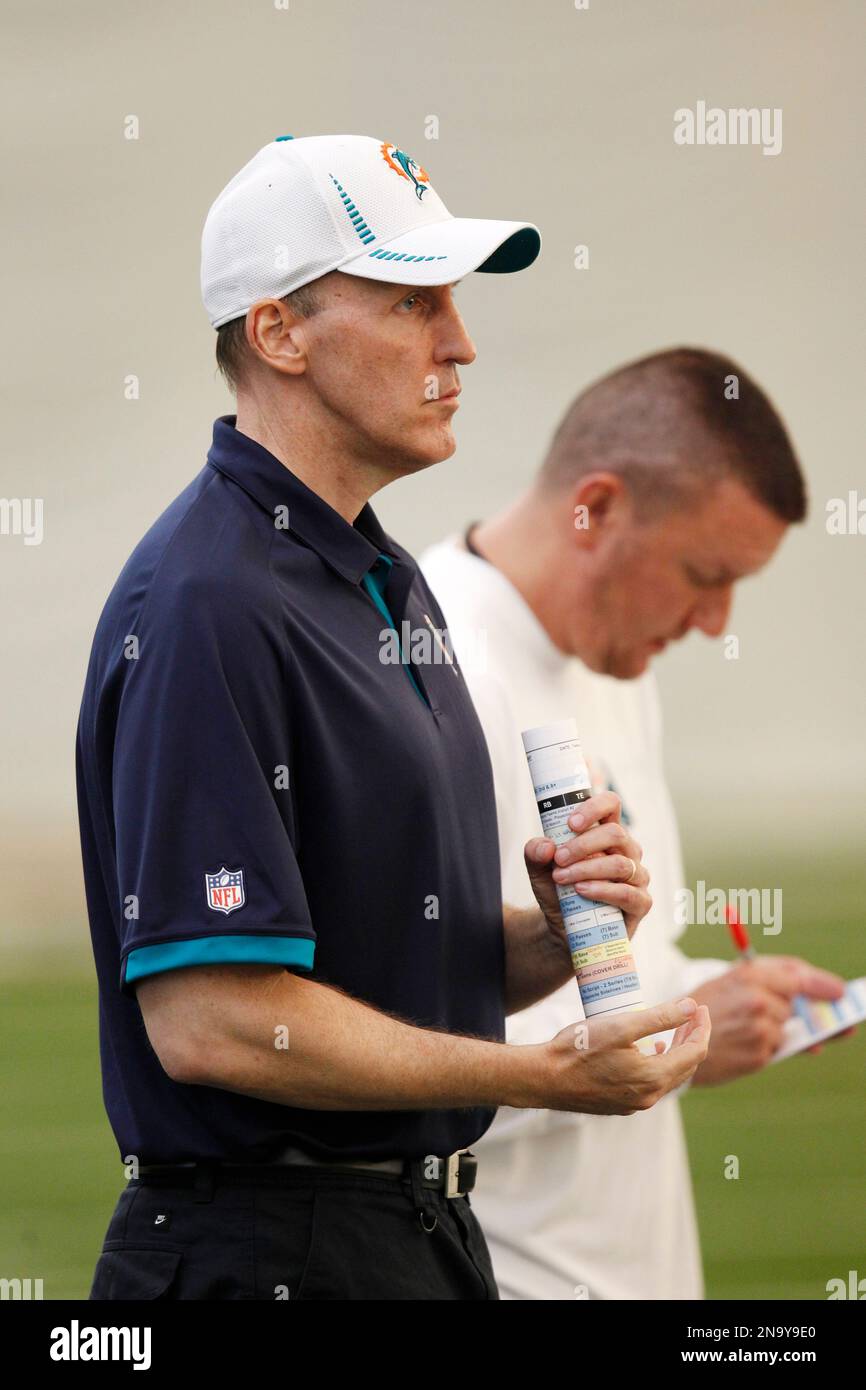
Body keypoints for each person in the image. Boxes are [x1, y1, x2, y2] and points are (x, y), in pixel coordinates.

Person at [75, 138, 710, 1302]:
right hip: (266, 1253)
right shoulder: (210, 602)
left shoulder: (375, 573)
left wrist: (550, 931)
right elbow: (214, 1018)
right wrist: (540, 1073)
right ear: (278, 333)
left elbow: (370, 961)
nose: (458, 343)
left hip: (397, 1232)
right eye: (413, 302)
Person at [419, 347, 849, 1300]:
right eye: (705, 574)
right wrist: (680, 1044)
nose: (714, 620)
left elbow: (612, 977)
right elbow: (393, 1050)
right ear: (599, 507)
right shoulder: (431, 666)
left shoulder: (619, 667)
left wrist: (707, 998)